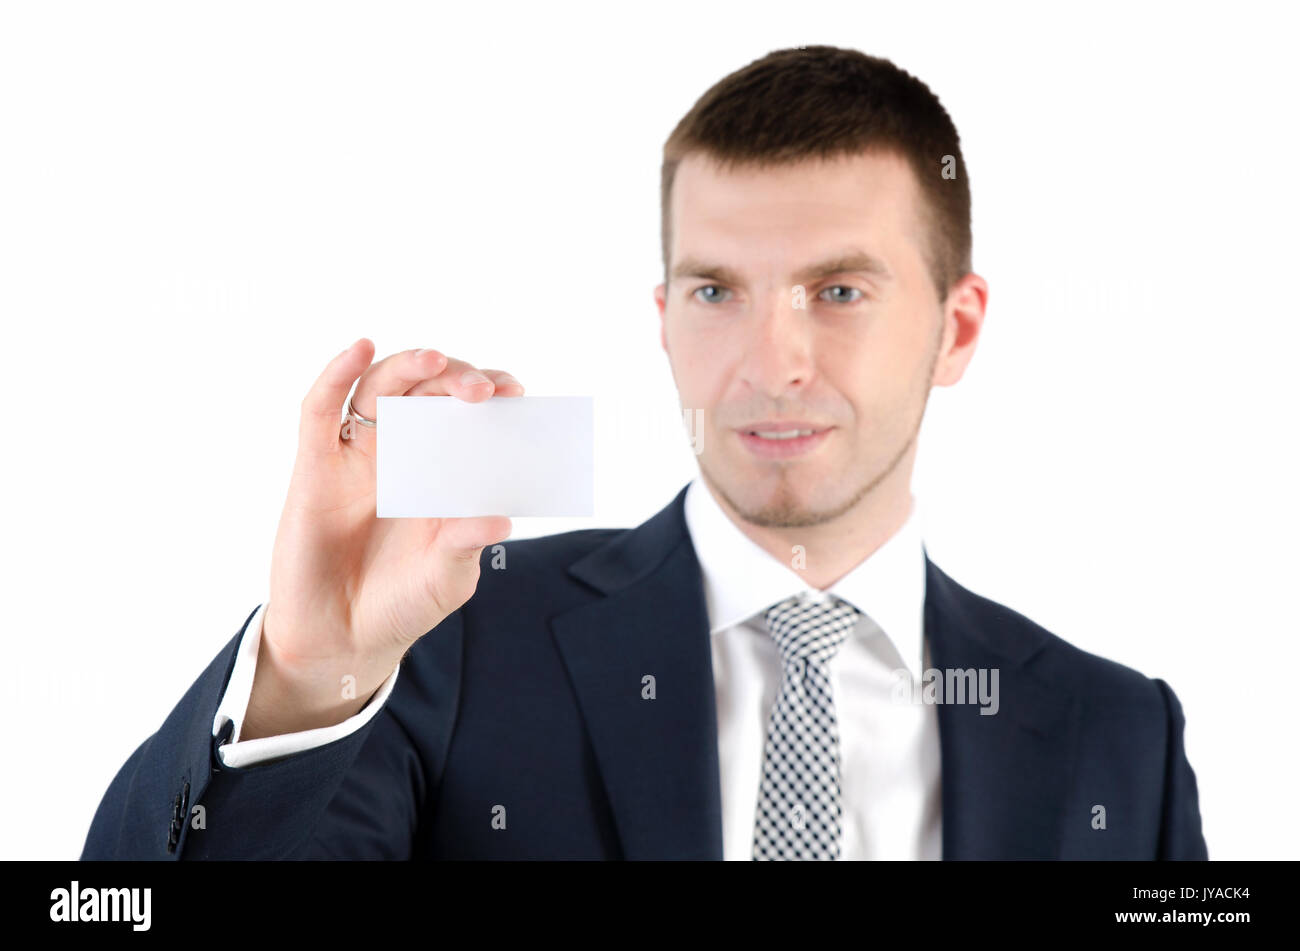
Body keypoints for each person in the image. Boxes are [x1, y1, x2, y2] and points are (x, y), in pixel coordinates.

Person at [82, 45, 1207, 861]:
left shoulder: (1120, 738)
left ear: (956, 327)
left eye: (839, 290)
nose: (773, 363)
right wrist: (307, 674)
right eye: (716, 290)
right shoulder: (450, 639)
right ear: (662, 318)